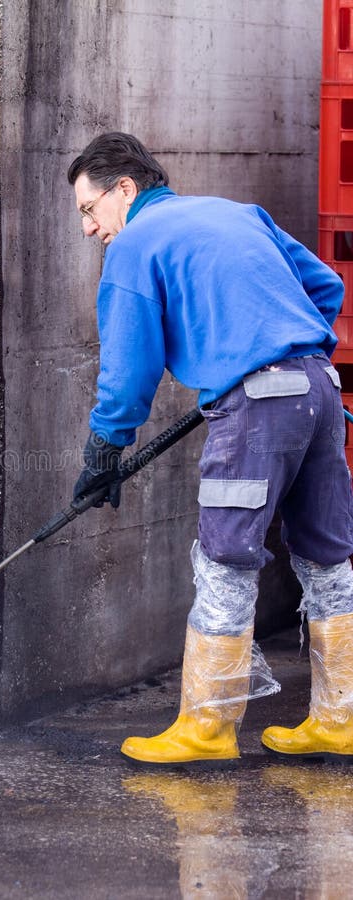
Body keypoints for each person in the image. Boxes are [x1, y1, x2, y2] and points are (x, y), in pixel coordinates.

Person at [69, 131, 353, 766]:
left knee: (227, 556)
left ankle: (207, 726)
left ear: (125, 189)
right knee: (327, 556)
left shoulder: (136, 246)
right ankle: (341, 718)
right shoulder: (237, 214)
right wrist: (290, 355)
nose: (89, 229)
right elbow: (325, 286)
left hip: (257, 405)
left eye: (89, 210)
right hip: (319, 389)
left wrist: (103, 449)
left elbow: (127, 369)